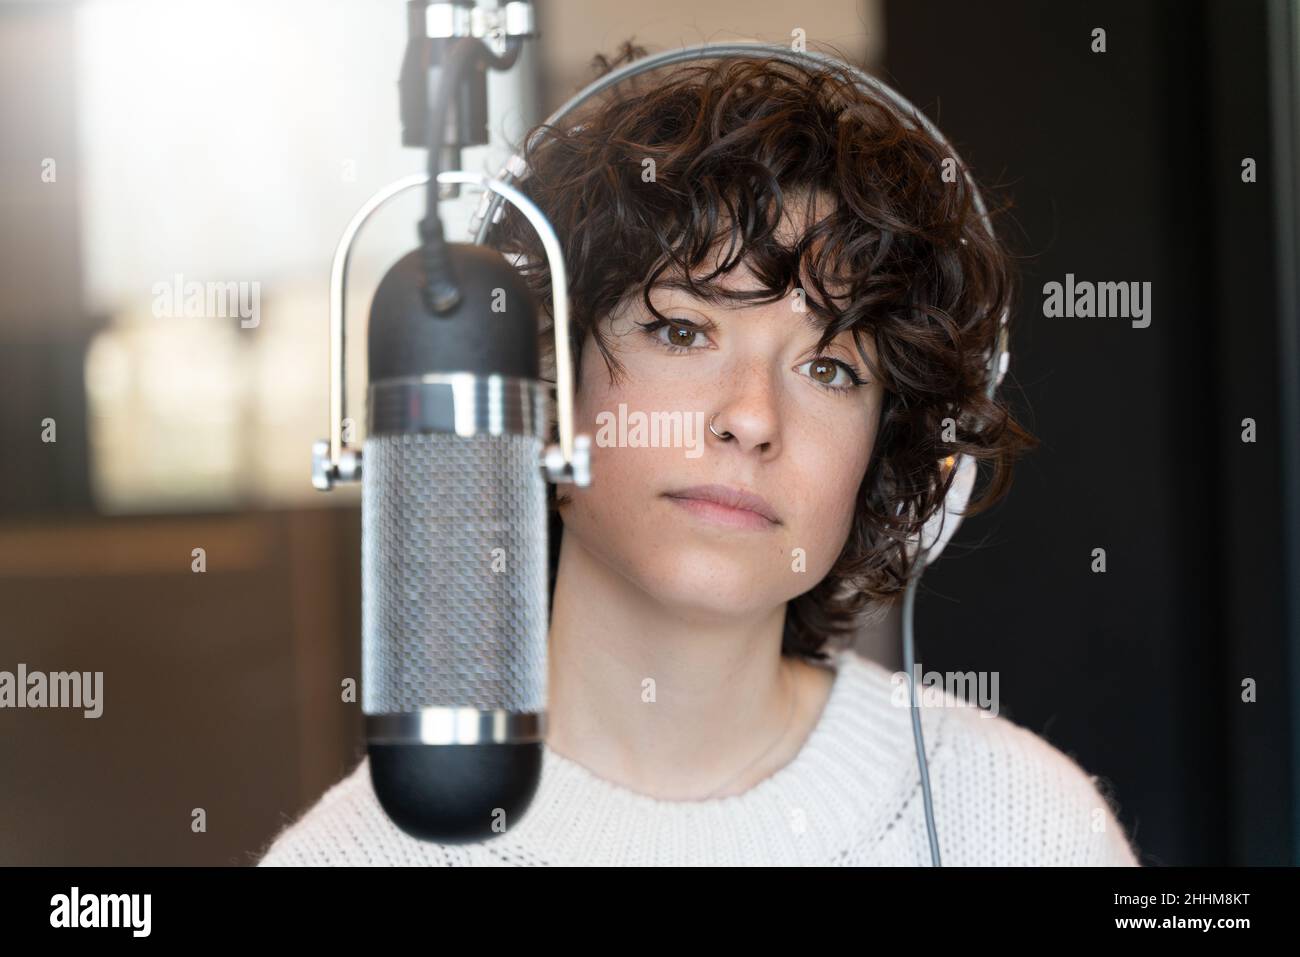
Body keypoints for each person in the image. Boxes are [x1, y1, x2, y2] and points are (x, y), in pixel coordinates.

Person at [257, 43, 1139, 866]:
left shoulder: (1024, 824)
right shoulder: (352, 856)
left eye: (829, 368)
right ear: (542, 384)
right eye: (683, 330)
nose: (751, 418)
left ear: (888, 449)